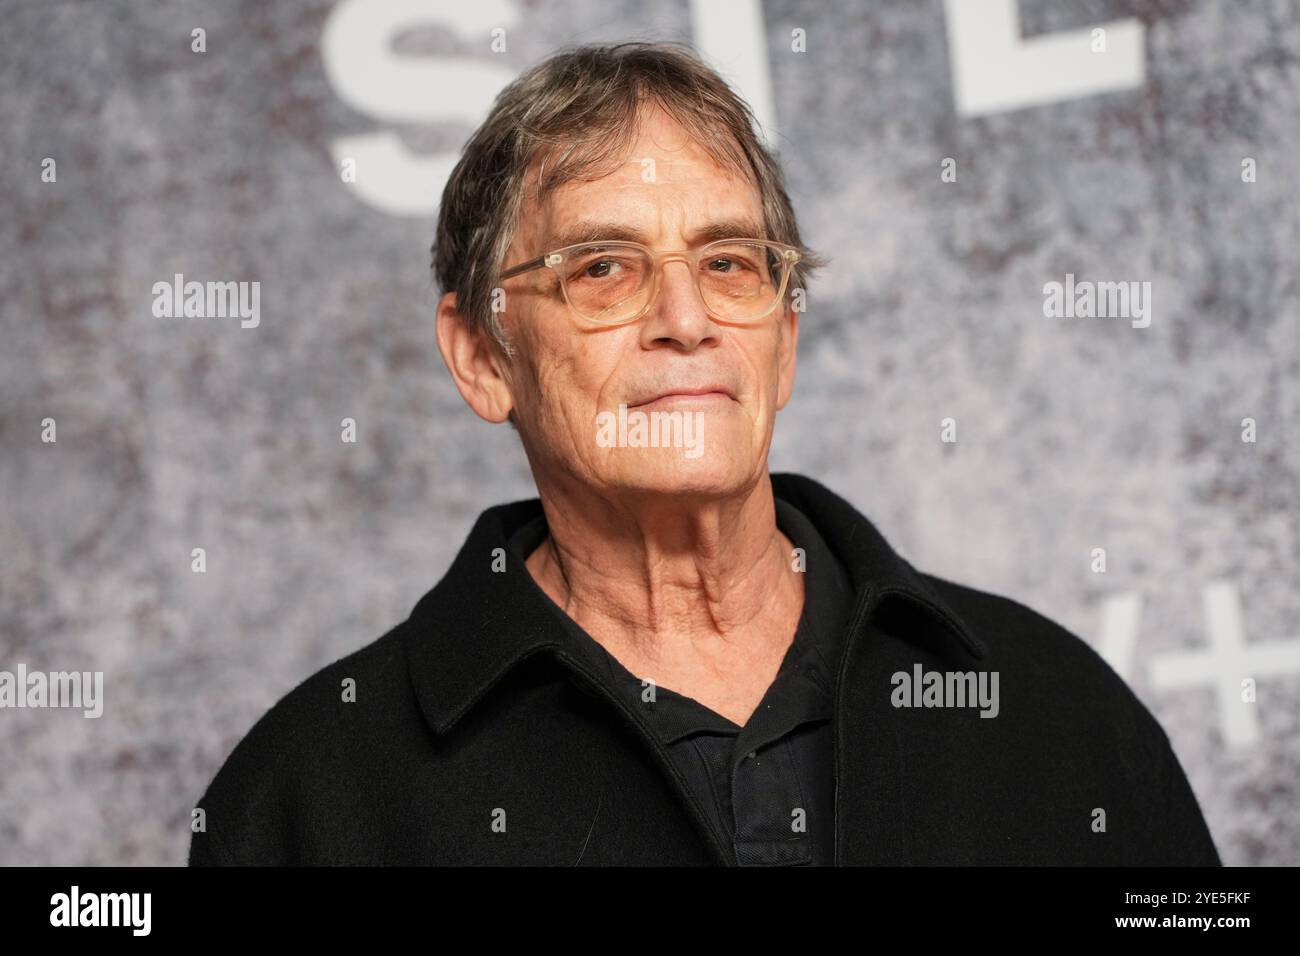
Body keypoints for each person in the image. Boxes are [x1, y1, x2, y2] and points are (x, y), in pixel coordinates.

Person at [190, 41, 1219, 866]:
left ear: (783, 342)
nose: (686, 318)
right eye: (601, 267)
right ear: (481, 355)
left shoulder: (1048, 707)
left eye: (729, 263)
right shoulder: (313, 798)